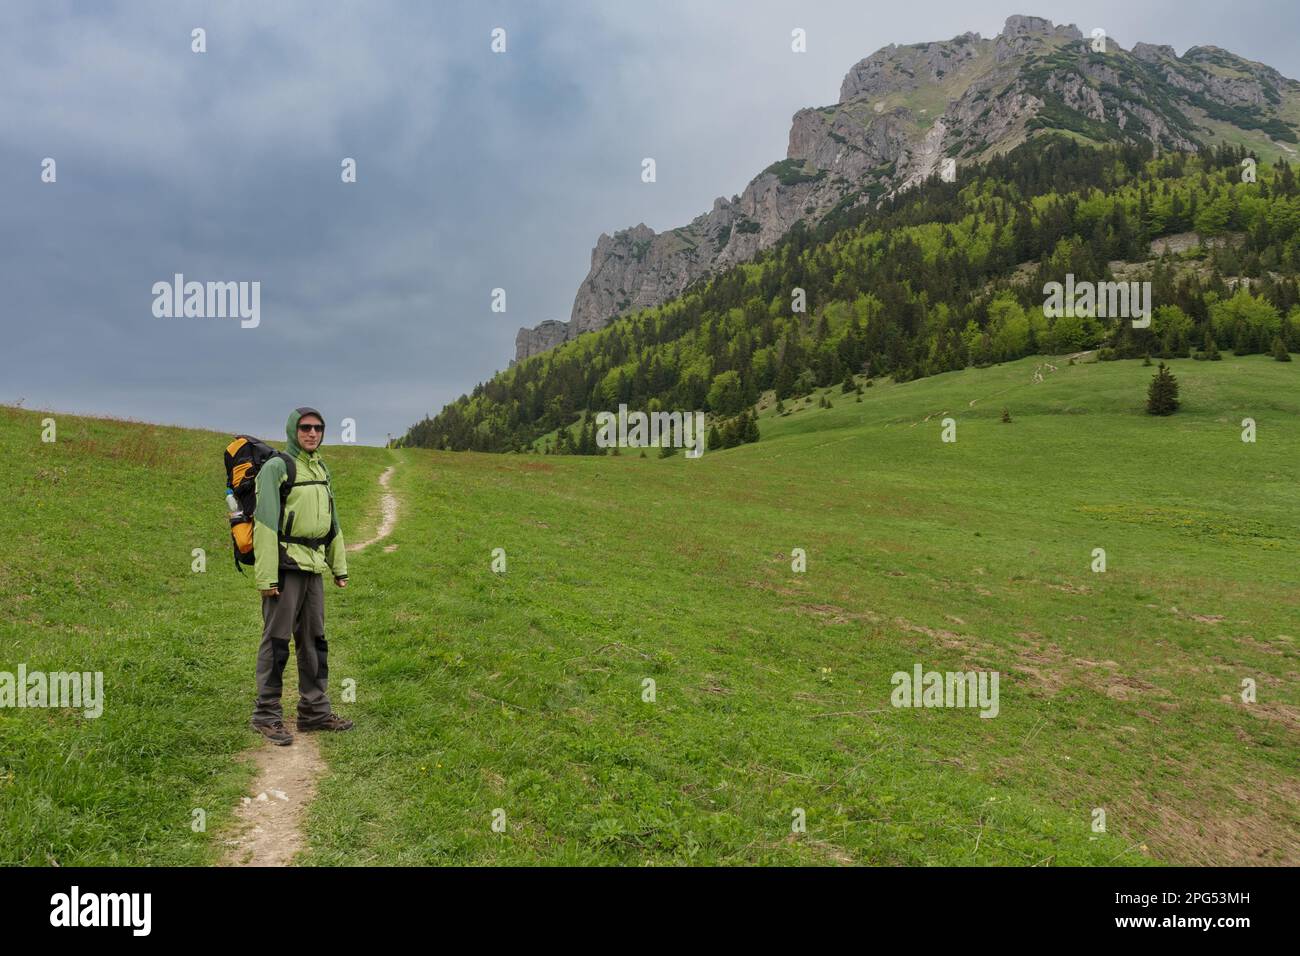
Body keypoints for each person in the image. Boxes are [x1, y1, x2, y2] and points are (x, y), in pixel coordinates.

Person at [250, 407, 353, 745]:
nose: (312, 433)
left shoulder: (322, 468)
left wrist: (339, 567)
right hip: (284, 566)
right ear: (294, 429)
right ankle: (266, 715)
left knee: (314, 642)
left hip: (313, 568)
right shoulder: (277, 467)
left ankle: (314, 712)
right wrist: (267, 579)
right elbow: (264, 525)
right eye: (305, 428)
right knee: (277, 642)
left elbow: (332, 520)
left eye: (318, 428)